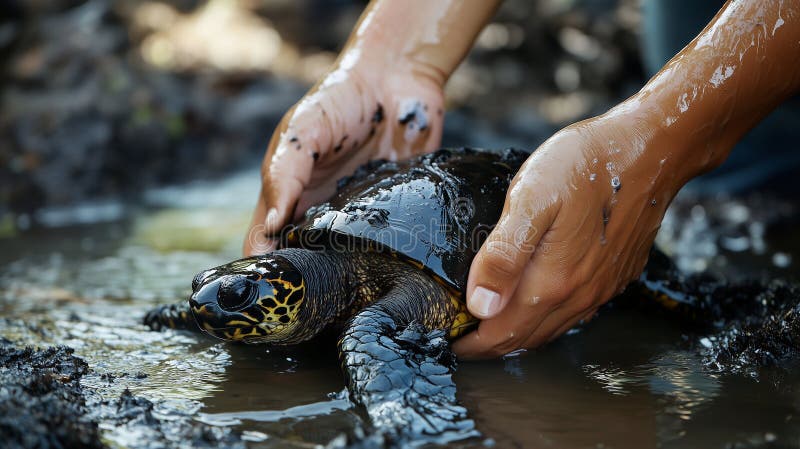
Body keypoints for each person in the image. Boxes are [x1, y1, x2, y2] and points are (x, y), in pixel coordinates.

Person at [243, 0, 800, 359]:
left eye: (244, 293)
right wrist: (385, 65)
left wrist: (655, 146)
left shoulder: (375, 324)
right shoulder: (320, 255)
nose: (216, 304)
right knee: (745, 199)